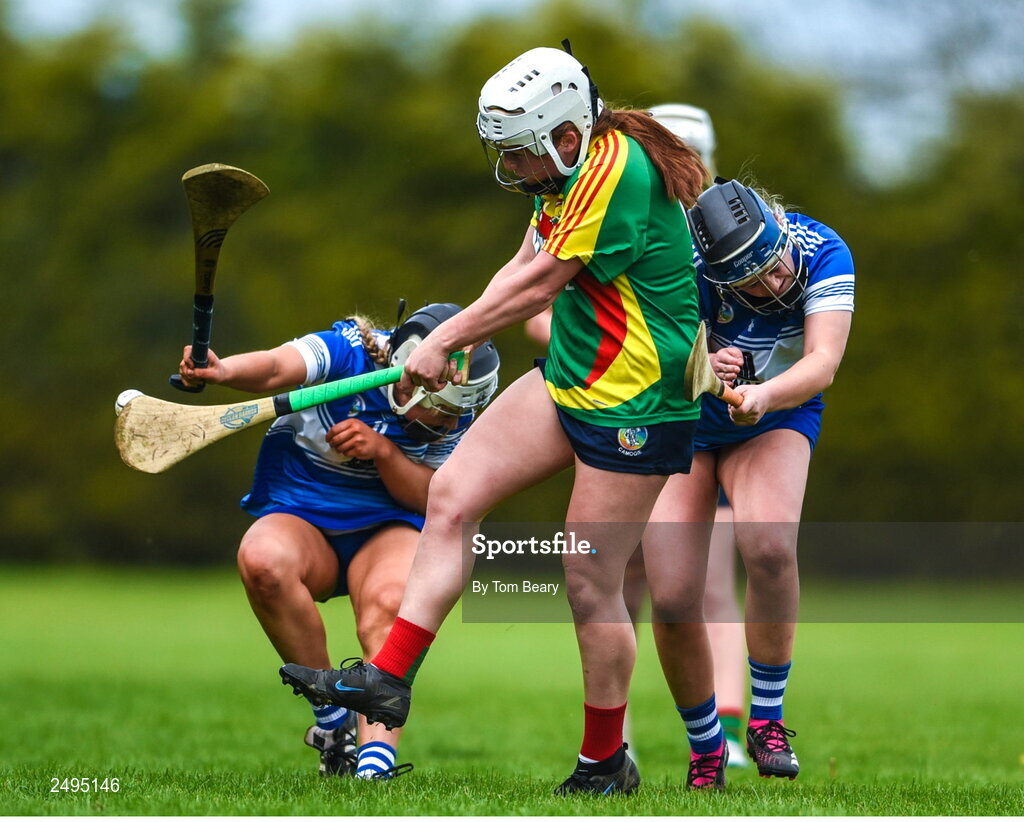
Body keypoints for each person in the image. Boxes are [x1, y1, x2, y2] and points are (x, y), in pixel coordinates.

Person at [280, 44, 730, 792]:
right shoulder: (559, 169)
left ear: (567, 133)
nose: (513, 169)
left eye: (520, 153)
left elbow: (542, 285)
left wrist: (446, 340)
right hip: (572, 376)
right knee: (453, 494)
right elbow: (520, 266)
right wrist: (458, 336)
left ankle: (604, 763)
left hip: (641, 401)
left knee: (589, 582)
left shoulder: (615, 174)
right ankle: (389, 679)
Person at [176, 303, 500, 780]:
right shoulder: (350, 350)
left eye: (460, 412)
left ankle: (375, 767)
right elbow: (277, 367)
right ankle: (334, 726)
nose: (452, 423)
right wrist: (224, 372)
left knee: (391, 603)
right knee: (262, 561)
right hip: (304, 519)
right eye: (443, 409)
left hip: (389, 528)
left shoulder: (461, 413)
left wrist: (384, 452)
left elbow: (435, 499)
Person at [523, 102, 751, 769]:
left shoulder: (725, 231)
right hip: (625, 406)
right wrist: (606, 349)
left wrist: (722, 363)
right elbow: (546, 312)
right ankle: (615, 739)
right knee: (614, 578)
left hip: (705, 424)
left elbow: (750, 327)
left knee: (698, 587)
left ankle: (725, 735)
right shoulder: (614, 203)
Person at [645, 178, 855, 780]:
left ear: (780, 231)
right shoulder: (684, 262)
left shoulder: (823, 251)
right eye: (751, 282)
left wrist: (763, 395)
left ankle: (765, 720)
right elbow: (649, 351)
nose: (772, 285)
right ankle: (706, 743)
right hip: (684, 422)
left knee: (768, 546)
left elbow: (822, 362)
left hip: (774, 415)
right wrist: (701, 361)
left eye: (774, 268)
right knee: (674, 597)